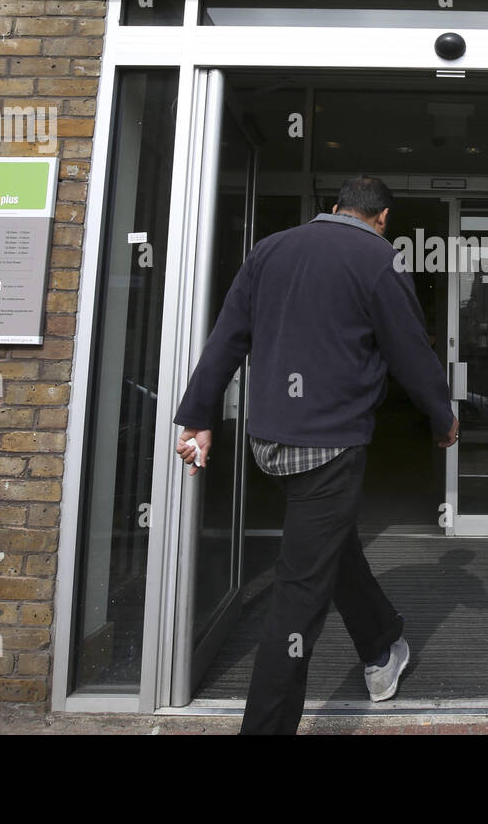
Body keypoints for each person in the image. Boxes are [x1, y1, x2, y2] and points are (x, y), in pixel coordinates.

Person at [172, 174, 459, 735]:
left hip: (269, 443)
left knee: (331, 542)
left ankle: (381, 649)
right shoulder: (380, 259)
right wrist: (443, 415)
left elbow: (227, 336)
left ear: (332, 208)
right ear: (380, 219)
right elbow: (410, 350)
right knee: (298, 597)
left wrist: (198, 417)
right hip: (329, 447)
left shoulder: (270, 250)